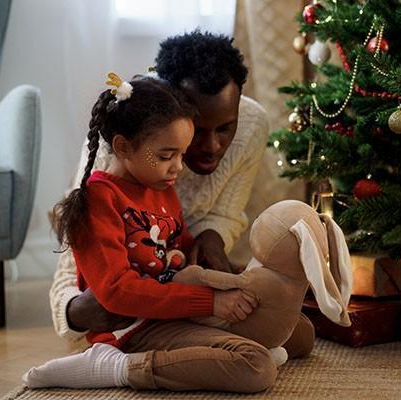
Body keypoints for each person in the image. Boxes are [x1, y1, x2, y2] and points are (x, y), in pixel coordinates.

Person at [49, 31, 315, 357]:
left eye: (225, 129)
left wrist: (213, 242)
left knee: (297, 334)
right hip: (136, 304)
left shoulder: (248, 126)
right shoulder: (124, 140)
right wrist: (73, 312)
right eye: (197, 131)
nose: (211, 146)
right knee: (248, 358)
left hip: (177, 276)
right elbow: (81, 247)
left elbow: (224, 214)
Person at [23, 75, 277, 392]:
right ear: (123, 147)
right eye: (166, 156)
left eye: (182, 155)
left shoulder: (159, 188)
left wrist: (234, 280)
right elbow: (117, 292)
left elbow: (180, 255)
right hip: (132, 328)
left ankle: (212, 351)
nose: (178, 168)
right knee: (255, 365)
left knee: (297, 334)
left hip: (170, 313)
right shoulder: (99, 199)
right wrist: (210, 303)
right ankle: (116, 368)